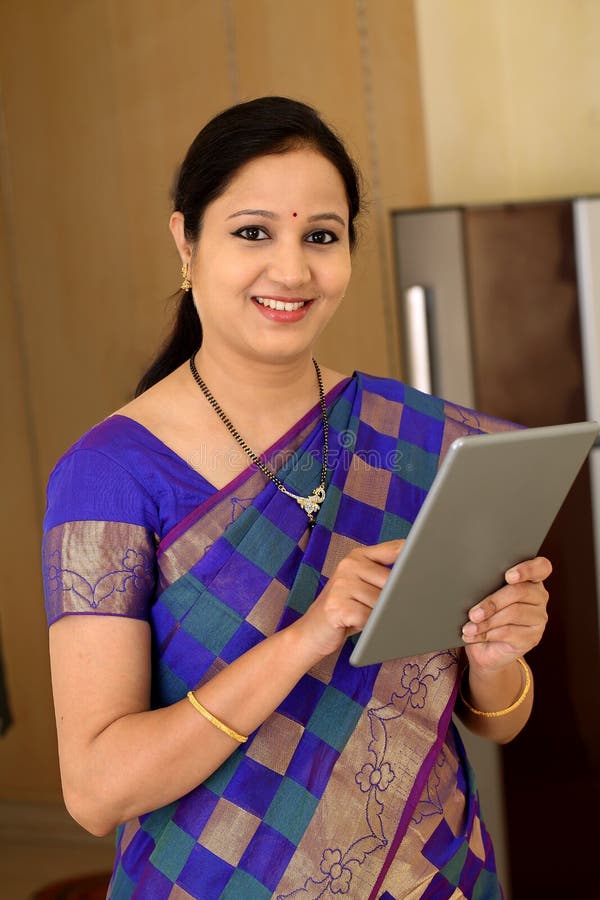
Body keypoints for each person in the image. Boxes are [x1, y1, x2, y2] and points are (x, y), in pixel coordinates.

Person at [42, 96, 550, 899]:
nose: (292, 270)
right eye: (253, 232)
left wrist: (497, 662)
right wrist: (306, 637)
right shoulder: (111, 473)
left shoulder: (418, 442)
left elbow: (498, 720)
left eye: (322, 235)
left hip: (433, 876)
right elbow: (97, 791)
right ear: (186, 240)